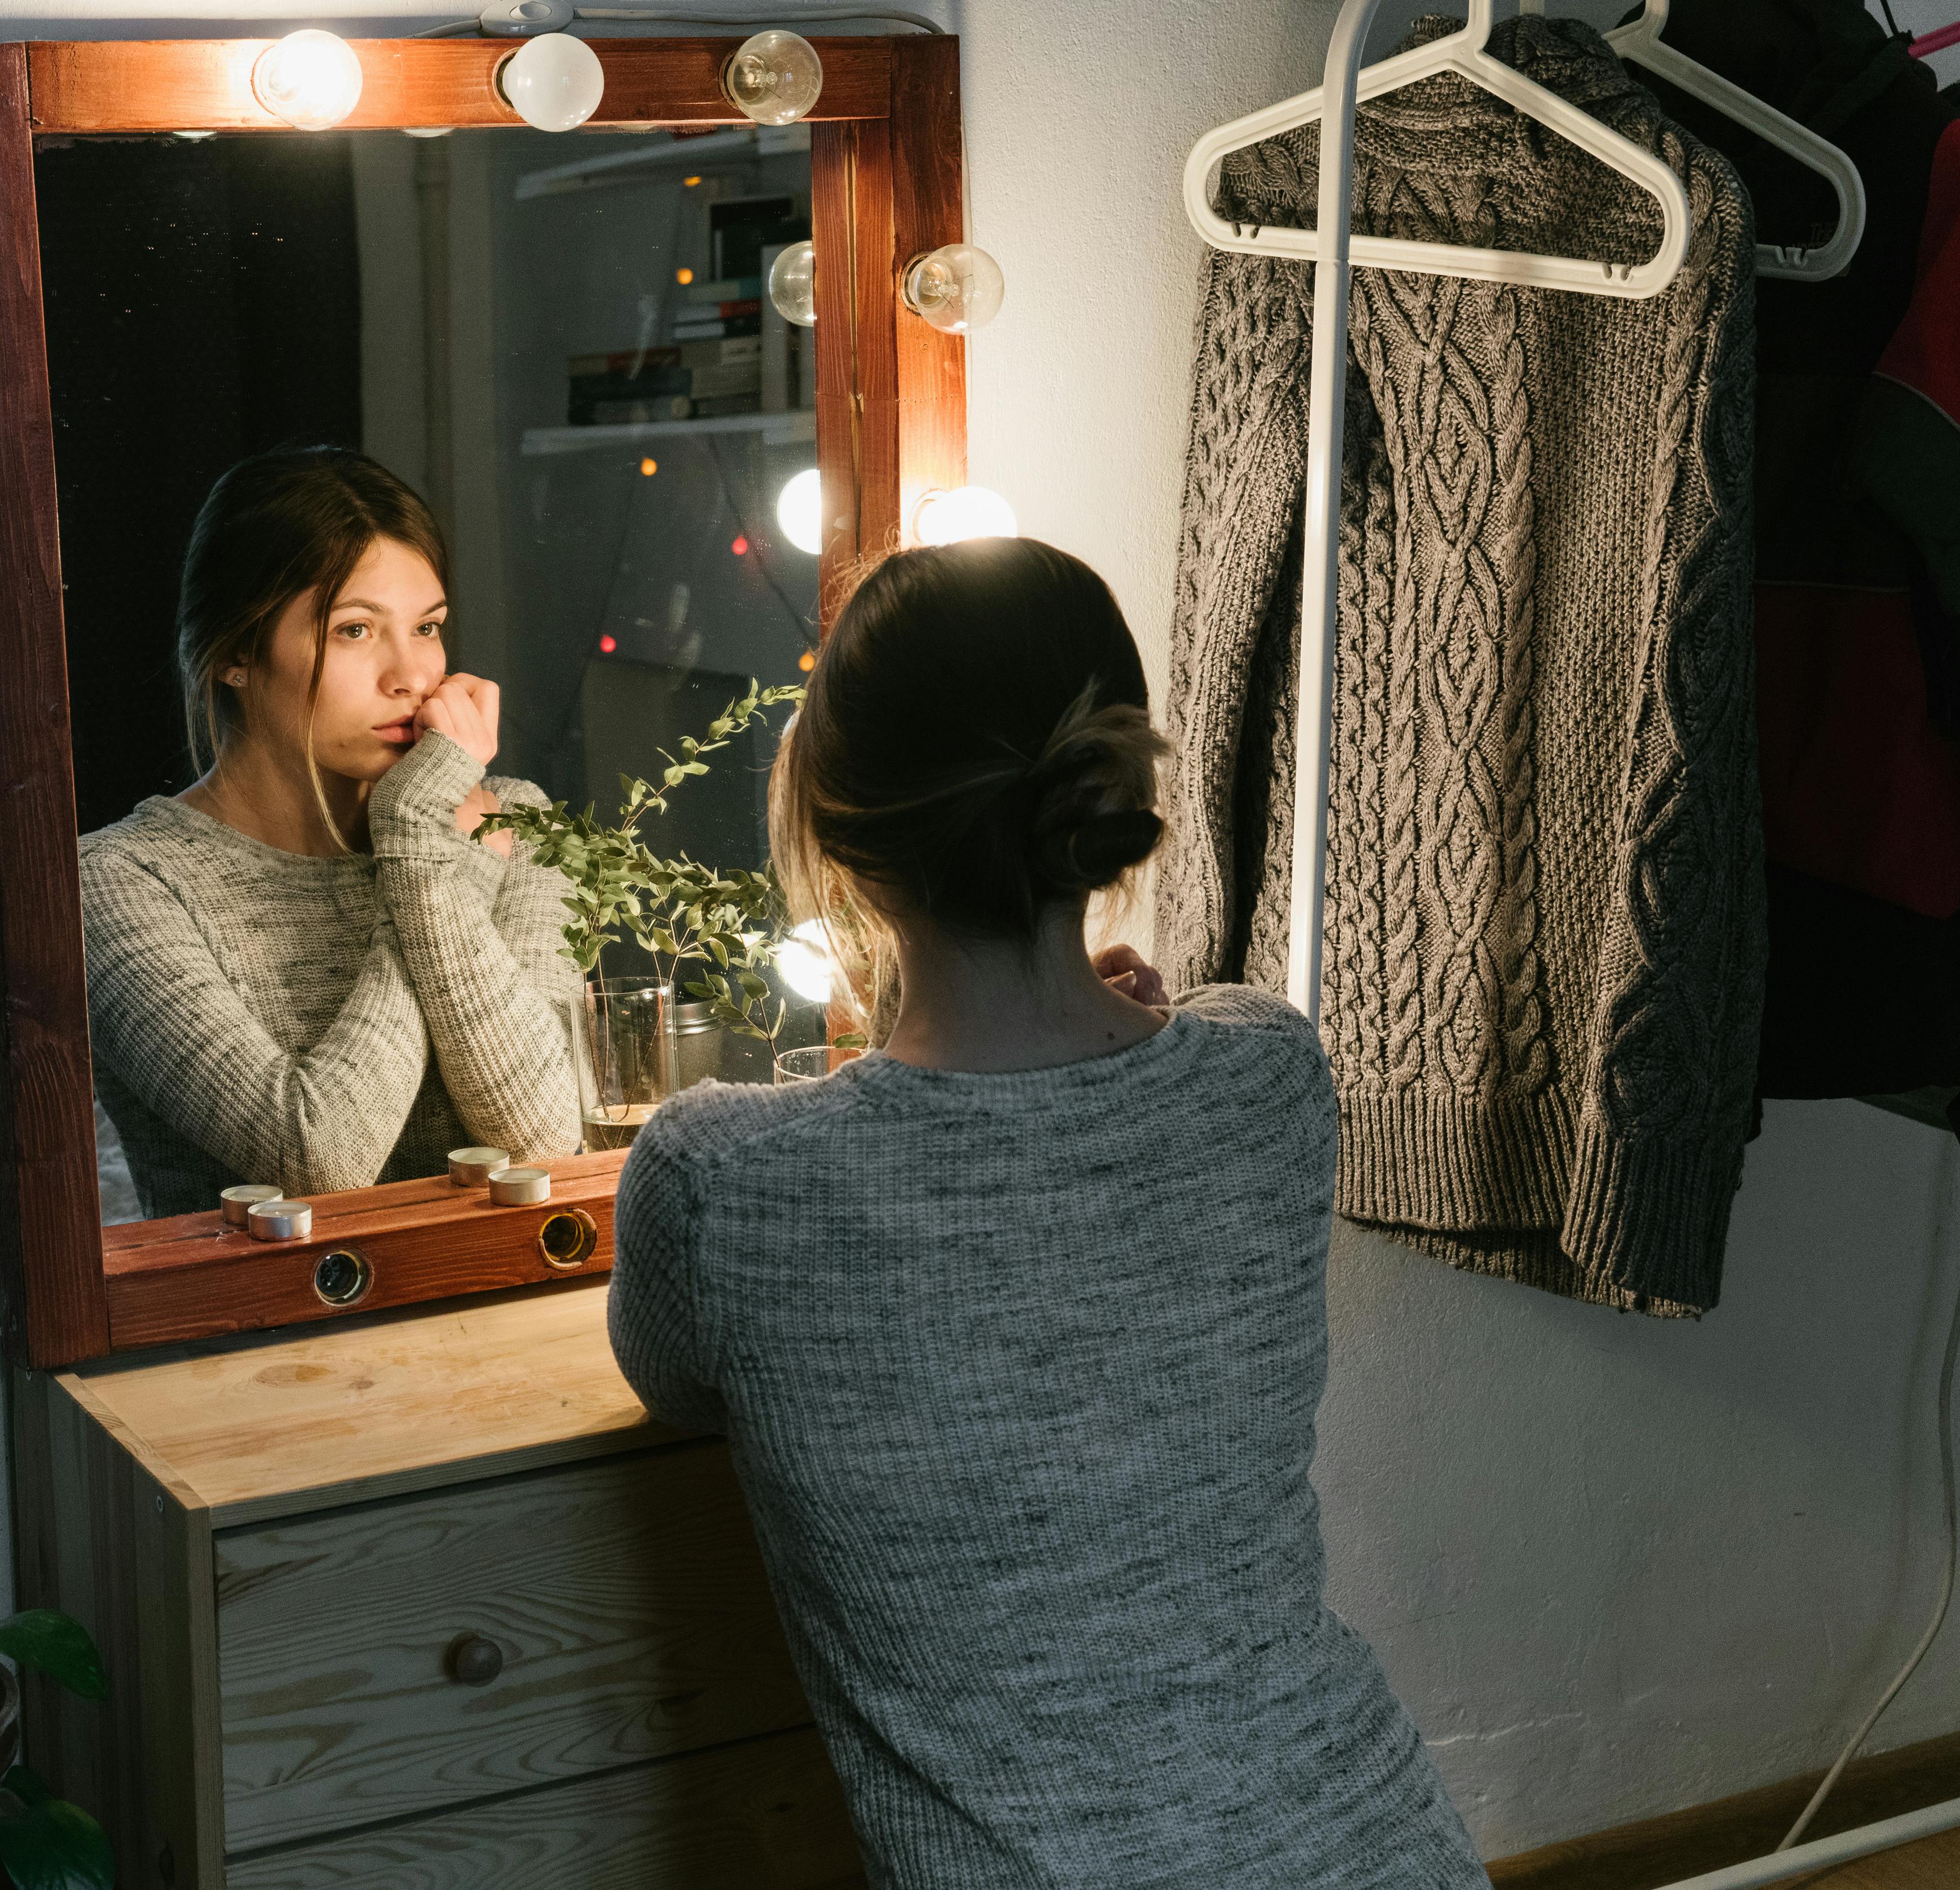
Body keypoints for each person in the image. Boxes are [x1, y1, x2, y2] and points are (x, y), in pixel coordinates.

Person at [608, 538, 1482, 1888]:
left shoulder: (726, 1186)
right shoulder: (1265, 1074)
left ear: (835, 830)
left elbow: (673, 1383)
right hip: (1381, 1851)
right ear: (1106, 793)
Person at [78, 447, 578, 1217]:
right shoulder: (117, 881)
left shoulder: (515, 822)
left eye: (428, 627)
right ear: (239, 652)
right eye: (354, 630)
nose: (409, 675)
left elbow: (543, 1139)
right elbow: (322, 1162)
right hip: (258, 1334)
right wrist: (432, 852)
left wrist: (425, 845)